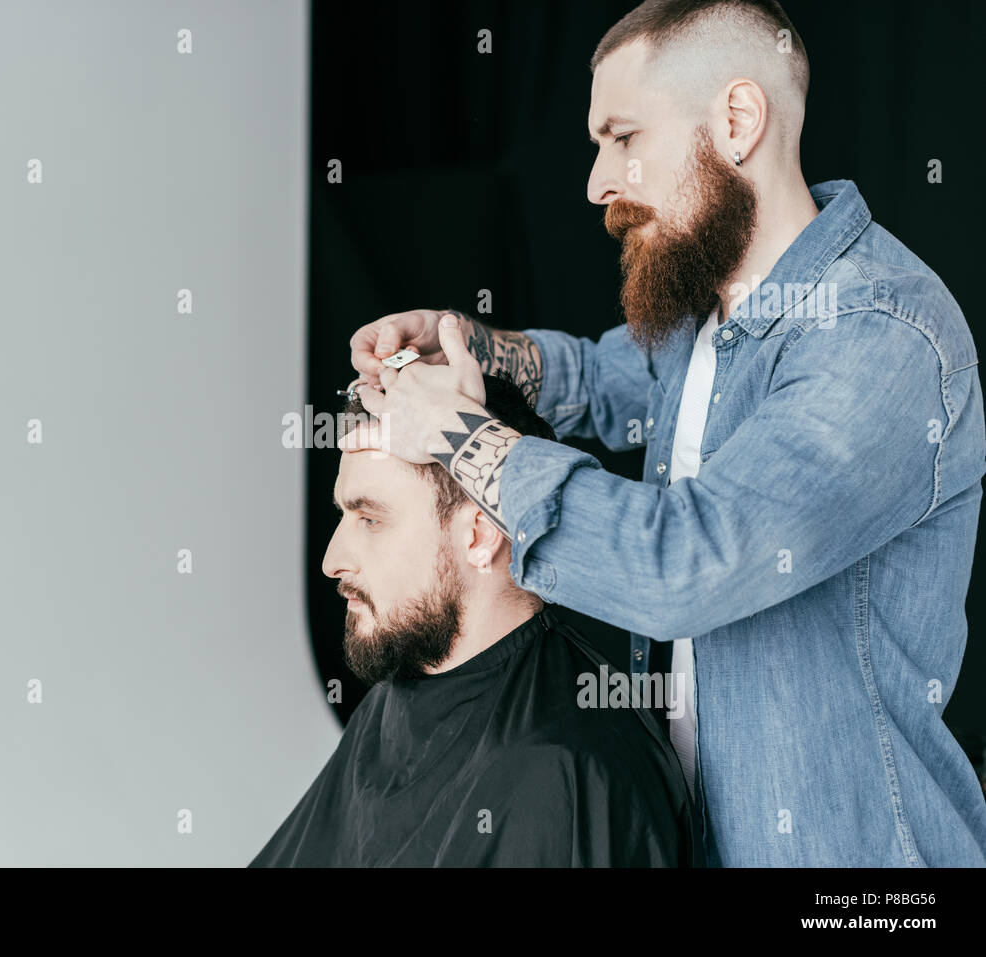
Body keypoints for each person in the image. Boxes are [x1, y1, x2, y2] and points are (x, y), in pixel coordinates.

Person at [343, 0, 986, 866]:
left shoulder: (881, 336)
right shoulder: (708, 319)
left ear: (737, 120)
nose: (597, 182)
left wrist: (461, 436)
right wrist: (471, 344)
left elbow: (688, 562)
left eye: (623, 137)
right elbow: (606, 382)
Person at [251, 373, 695, 866]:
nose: (331, 560)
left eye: (370, 520)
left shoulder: (570, 767)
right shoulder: (387, 715)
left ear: (480, 536)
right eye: (343, 518)